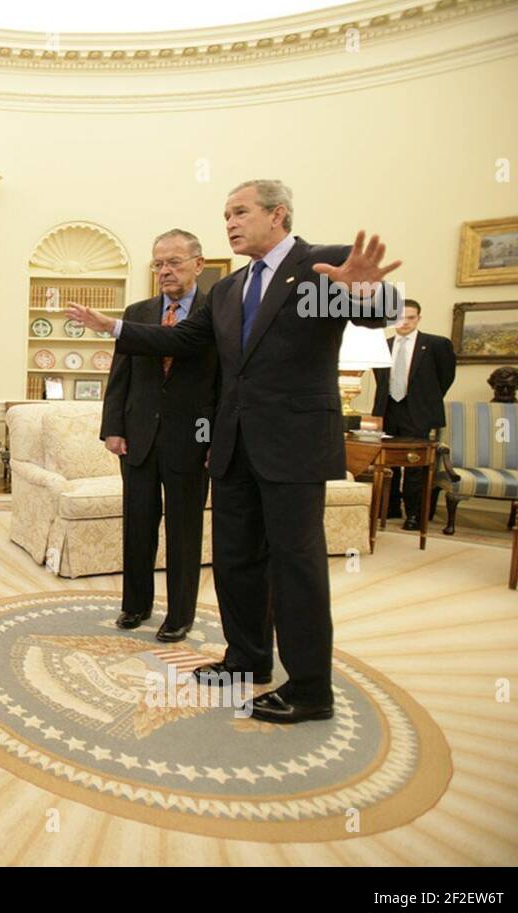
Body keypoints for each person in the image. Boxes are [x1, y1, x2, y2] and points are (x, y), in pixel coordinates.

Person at [66, 179, 400, 724]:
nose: (230, 222)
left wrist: (366, 294)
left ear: (279, 214)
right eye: (226, 214)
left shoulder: (323, 264)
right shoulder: (227, 288)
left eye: (240, 211)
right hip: (232, 447)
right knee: (235, 561)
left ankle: (311, 690)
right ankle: (246, 660)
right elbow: (183, 342)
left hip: (291, 446)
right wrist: (116, 327)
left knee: (297, 567)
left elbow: (374, 308)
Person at [101, 229, 218, 644]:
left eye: (174, 262)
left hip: (193, 440)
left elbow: (223, 383)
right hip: (139, 436)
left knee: (184, 530)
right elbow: (120, 377)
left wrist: (215, 440)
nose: (165, 271)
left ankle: (180, 615)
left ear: (198, 264)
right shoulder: (137, 311)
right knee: (138, 523)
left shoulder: (216, 312)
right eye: (158, 264)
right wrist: (113, 428)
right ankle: (135, 605)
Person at [372, 299, 456, 530]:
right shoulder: (383, 344)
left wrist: (424, 400)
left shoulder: (436, 344)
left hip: (418, 412)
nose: (405, 322)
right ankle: (390, 508)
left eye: (410, 317)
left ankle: (414, 515)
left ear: (418, 318)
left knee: (415, 467)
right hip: (389, 409)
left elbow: (445, 378)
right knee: (390, 463)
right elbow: (380, 379)